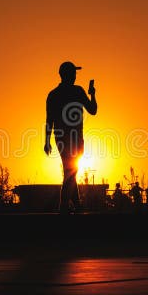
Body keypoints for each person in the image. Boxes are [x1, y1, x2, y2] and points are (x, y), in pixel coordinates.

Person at [45, 61, 97, 214]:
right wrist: (92, 95)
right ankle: (63, 206)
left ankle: (77, 204)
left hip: (61, 138)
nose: (75, 76)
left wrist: (47, 141)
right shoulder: (77, 91)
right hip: (74, 138)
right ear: (67, 74)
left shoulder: (53, 94)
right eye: (73, 73)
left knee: (71, 171)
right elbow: (93, 110)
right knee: (71, 171)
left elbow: (49, 120)